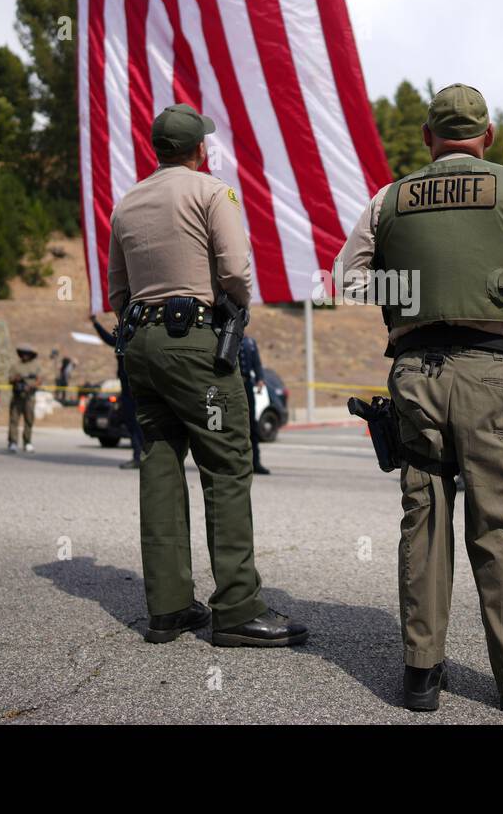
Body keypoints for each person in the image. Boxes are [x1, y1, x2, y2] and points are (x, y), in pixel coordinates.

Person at [337, 83, 503, 714]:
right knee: (496, 523)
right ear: (488, 136)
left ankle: (421, 675)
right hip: (489, 376)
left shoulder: (388, 198)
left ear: (426, 138)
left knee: (423, 517)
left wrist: (409, 293)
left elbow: (347, 279)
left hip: (415, 373)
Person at [107, 102, 307, 648]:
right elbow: (236, 270)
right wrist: (235, 306)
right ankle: (238, 607)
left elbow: (116, 292)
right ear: (200, 149)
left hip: (141, 345)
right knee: (226, 462)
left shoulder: (125, 206)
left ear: (156, 149)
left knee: (161, 462)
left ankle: (168, 607)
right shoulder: (212, 192)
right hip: (195, 341)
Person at [90, 316, 144, 470]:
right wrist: (96, 324)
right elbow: (109, 339)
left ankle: (145, 457)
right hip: (126, 388)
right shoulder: (122, 339)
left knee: (141, 422)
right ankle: (137, 455)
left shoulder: (138, 339)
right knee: (130, 421)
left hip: (139, 387)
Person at [238, 335, 270, 475]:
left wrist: (260, 378)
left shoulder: (249, 342)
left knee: (252, 425)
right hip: (232, 384)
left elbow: (257, 363)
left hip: (247, 385)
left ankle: (255, 462)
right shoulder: (226, 336)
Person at [7, 345, 41, 453]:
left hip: (29, 397)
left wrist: (32, 386)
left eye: (27, 354)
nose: (25, 356)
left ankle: (27, 442)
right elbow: (10, 379)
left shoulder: (35, 366)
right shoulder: (16, 366)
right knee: (14, 420)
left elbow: (39, 380)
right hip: (17, 396)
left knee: (29, 420)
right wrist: (16, 379)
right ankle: (13, 442)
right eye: (23, 353)